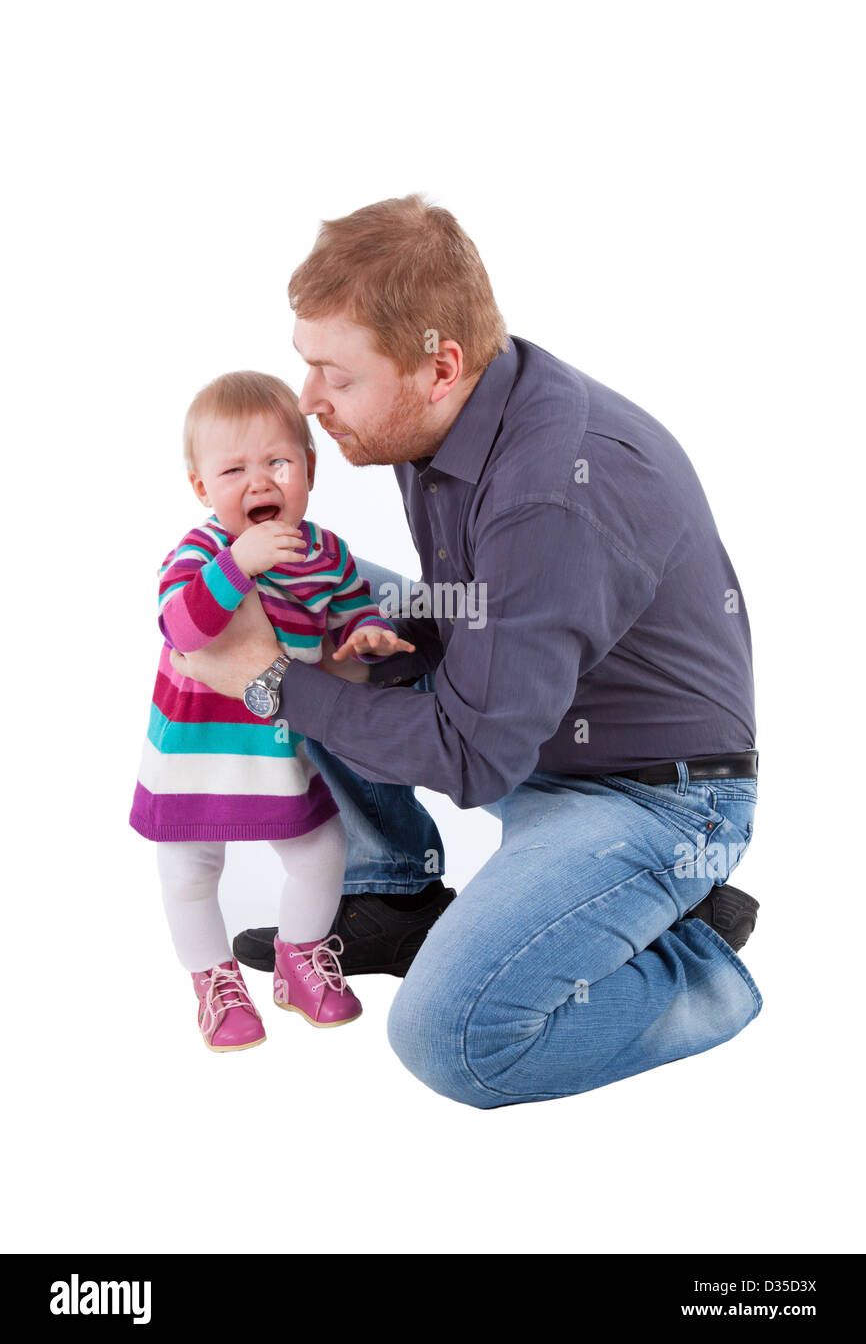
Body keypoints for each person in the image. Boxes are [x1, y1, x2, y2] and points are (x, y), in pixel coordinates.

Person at [170, 195, 762, 1108]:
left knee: (451, 1038)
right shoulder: (440, 416)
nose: (308, 403)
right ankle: (401, 895)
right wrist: (383, 641)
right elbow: (485, 603)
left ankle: (691, 951)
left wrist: (271, 681)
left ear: (439, 364)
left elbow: (477, 757)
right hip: (540, 707)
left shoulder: (549, 490)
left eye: (334, 374)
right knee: (310, 595)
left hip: (654, 796)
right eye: (305, 367)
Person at [129, 370, 414, 1051]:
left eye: (278, 462)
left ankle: (298, 958)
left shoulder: (326, 554)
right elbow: (181, 629)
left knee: (321, 852)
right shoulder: (202, 552)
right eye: (234, 470)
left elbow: (350, 622)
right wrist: (238, 564)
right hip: (193, 758)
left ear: (309, 470)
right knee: (190, 874)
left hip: (277, 752)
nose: (259, 483)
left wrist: (365, 635)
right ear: (202, 488)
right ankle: (215, 981)